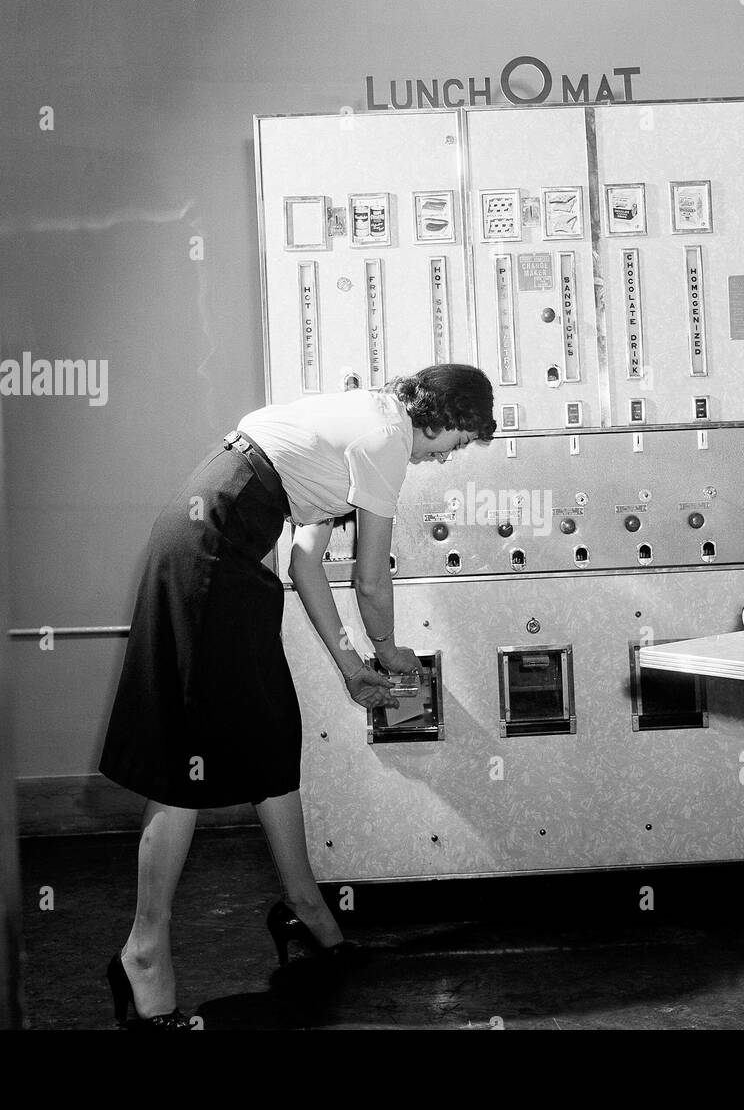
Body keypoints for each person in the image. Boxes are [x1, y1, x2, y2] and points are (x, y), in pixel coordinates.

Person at [99, 364, 496, 1028]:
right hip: (212, 545)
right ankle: (143, 950)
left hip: (220, 539)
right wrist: (390, 650)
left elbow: (305, 564)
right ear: (443, 416)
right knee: (187, 757)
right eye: (455, 443)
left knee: (272, 730)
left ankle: (306, 911)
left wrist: (351, 666)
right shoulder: (384, 439)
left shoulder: (364, 431)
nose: (446, 457)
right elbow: (371, 583)